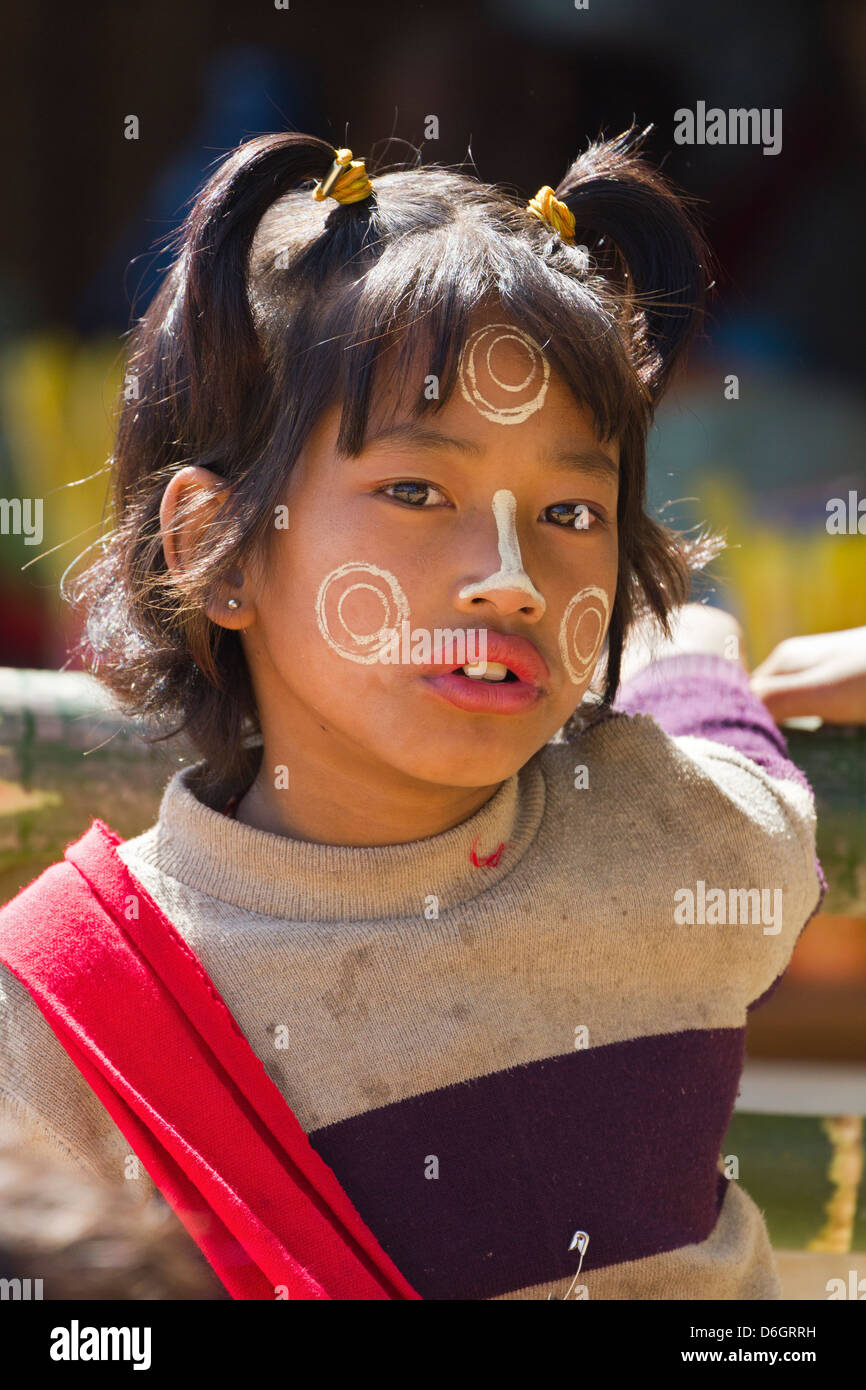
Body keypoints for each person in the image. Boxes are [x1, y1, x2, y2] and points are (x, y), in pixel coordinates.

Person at [0, 131, 823, 1300]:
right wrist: (683, 644)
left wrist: (670, 645)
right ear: (213, 552)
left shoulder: (673, 833)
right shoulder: (63, 1017)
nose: (510, 576)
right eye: (414, 490)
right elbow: (736, 756)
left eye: (571, 512)